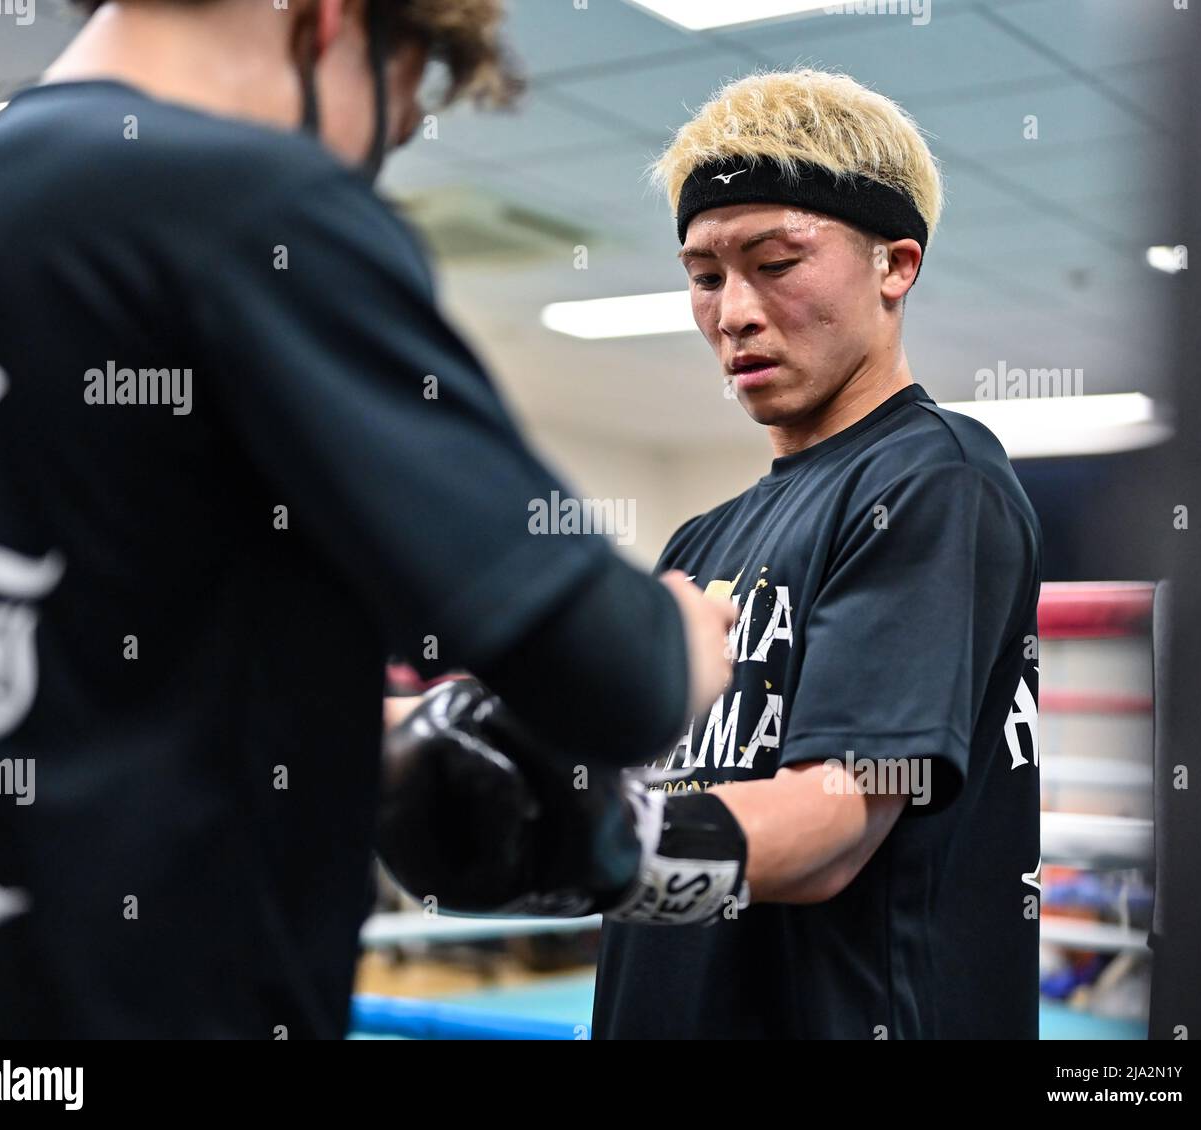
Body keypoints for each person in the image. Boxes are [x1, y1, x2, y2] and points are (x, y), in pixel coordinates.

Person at [0, 0, 735, 1039]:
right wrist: (681, 636)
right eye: (387, 124)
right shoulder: (240, 198)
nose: (364, 173)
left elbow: (102, 653)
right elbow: (615, 671)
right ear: (327, 23)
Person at [381, 68, 1044, 1040]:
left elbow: (832, 826)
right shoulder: (705, 539)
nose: (732, 311)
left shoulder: (936, 477)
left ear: (894, 264)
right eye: (703, 274)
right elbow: (625, 766)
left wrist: (599, 848)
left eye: (775, 261)